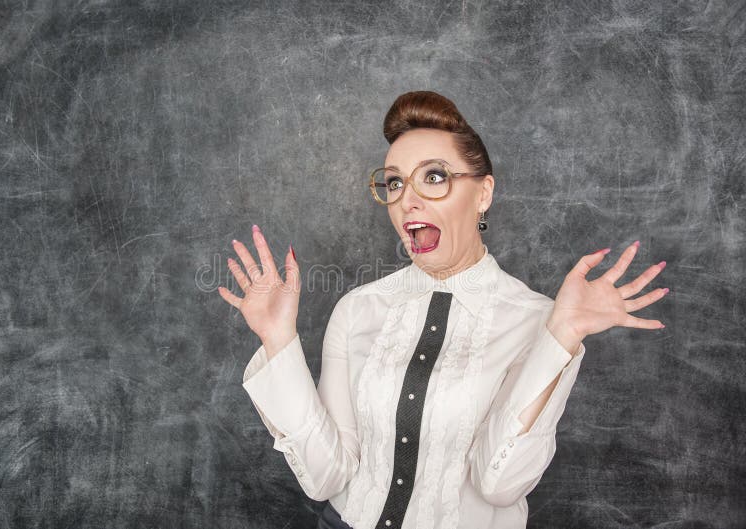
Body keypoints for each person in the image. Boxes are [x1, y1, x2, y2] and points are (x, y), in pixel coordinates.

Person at [217, 91, 668, 529]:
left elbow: (499, 485)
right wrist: (278, 339)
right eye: (395, 182)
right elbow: (325, 478)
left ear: (484, 192)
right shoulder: (357, 309)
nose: (408, 199)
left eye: (434, 176)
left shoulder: (541, 321)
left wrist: (563, 335)